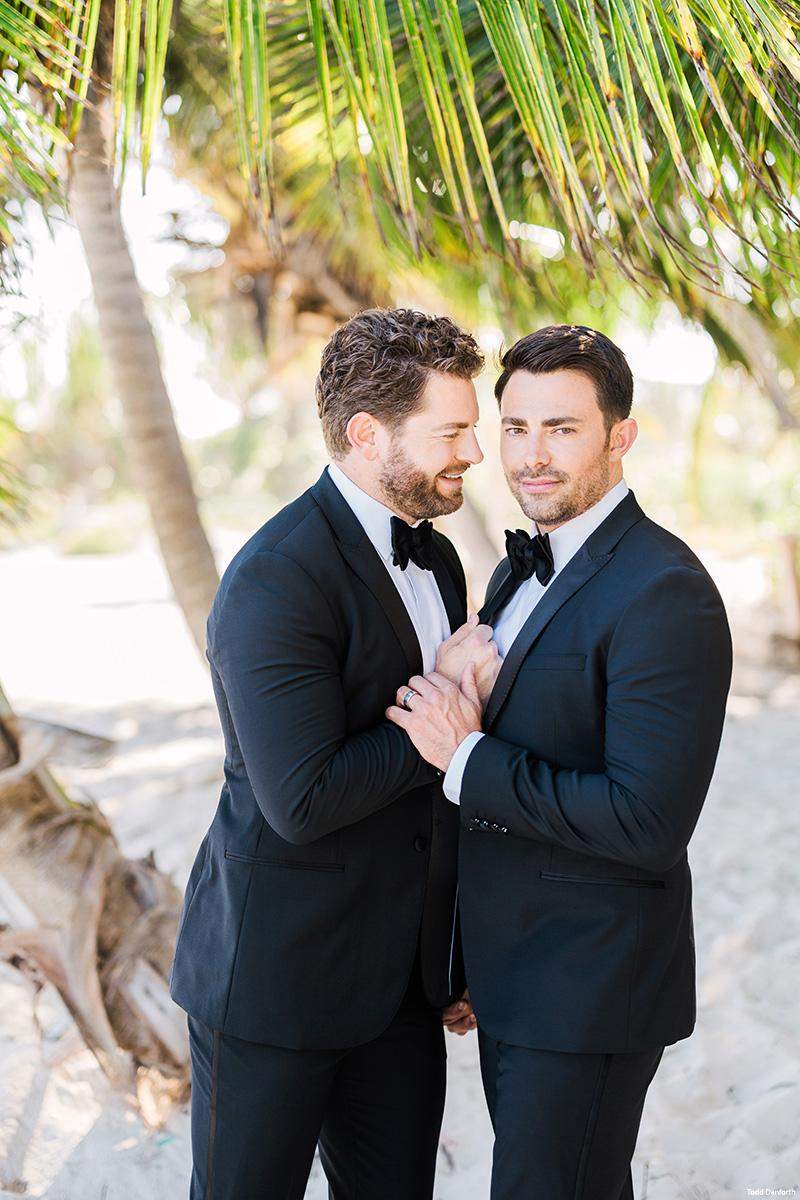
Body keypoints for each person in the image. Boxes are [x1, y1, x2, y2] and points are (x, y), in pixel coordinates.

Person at [389, 324, 733, 1200]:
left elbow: (645, 822)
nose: (531, 456)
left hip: (592, 985)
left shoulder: (665, 592)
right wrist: (471, 957)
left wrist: (466, 755)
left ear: (621, 435)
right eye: (515, 428)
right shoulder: (517, 573)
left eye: (562, 428)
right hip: (515, 976)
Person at [169, 307, 488, 1199]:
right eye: (450, 432)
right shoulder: (276, 577)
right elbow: (302, 800)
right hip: (274, 983)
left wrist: (455, 951)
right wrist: (447, 712)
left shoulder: (439, 560)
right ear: (366, 434)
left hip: (403, 988)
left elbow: (437, 795)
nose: (473, 452)